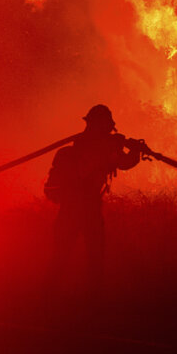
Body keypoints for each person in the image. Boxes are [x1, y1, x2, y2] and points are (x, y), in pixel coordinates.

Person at [46, 104, 145, 293]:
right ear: (100, 124)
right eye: (107, 125)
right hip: (87, 208)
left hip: (70, 209)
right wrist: (134, 151)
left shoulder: (82, 146)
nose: (109, 129)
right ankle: (91, 299)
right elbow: (124, 163)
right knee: (94, 256)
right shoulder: (104, 147)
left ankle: (47, 297)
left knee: (62, 255)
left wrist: (130, 148)